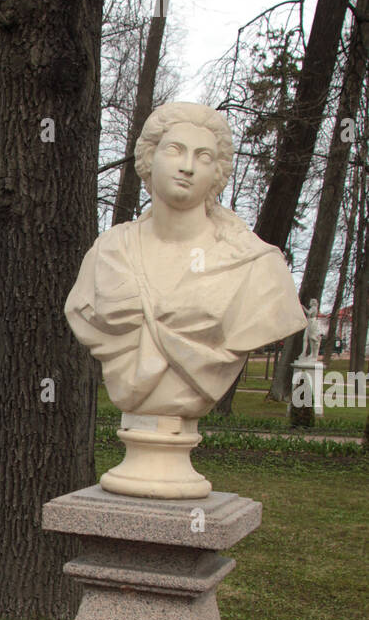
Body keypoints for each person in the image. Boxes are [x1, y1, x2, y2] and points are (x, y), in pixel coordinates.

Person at [65, 101, 306, 417]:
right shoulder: (108, 253)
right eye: (176, 150)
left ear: (217, 171)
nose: (188, 166)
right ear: (150, 158)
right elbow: (82, 312)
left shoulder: (257, 268)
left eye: (203, 157)